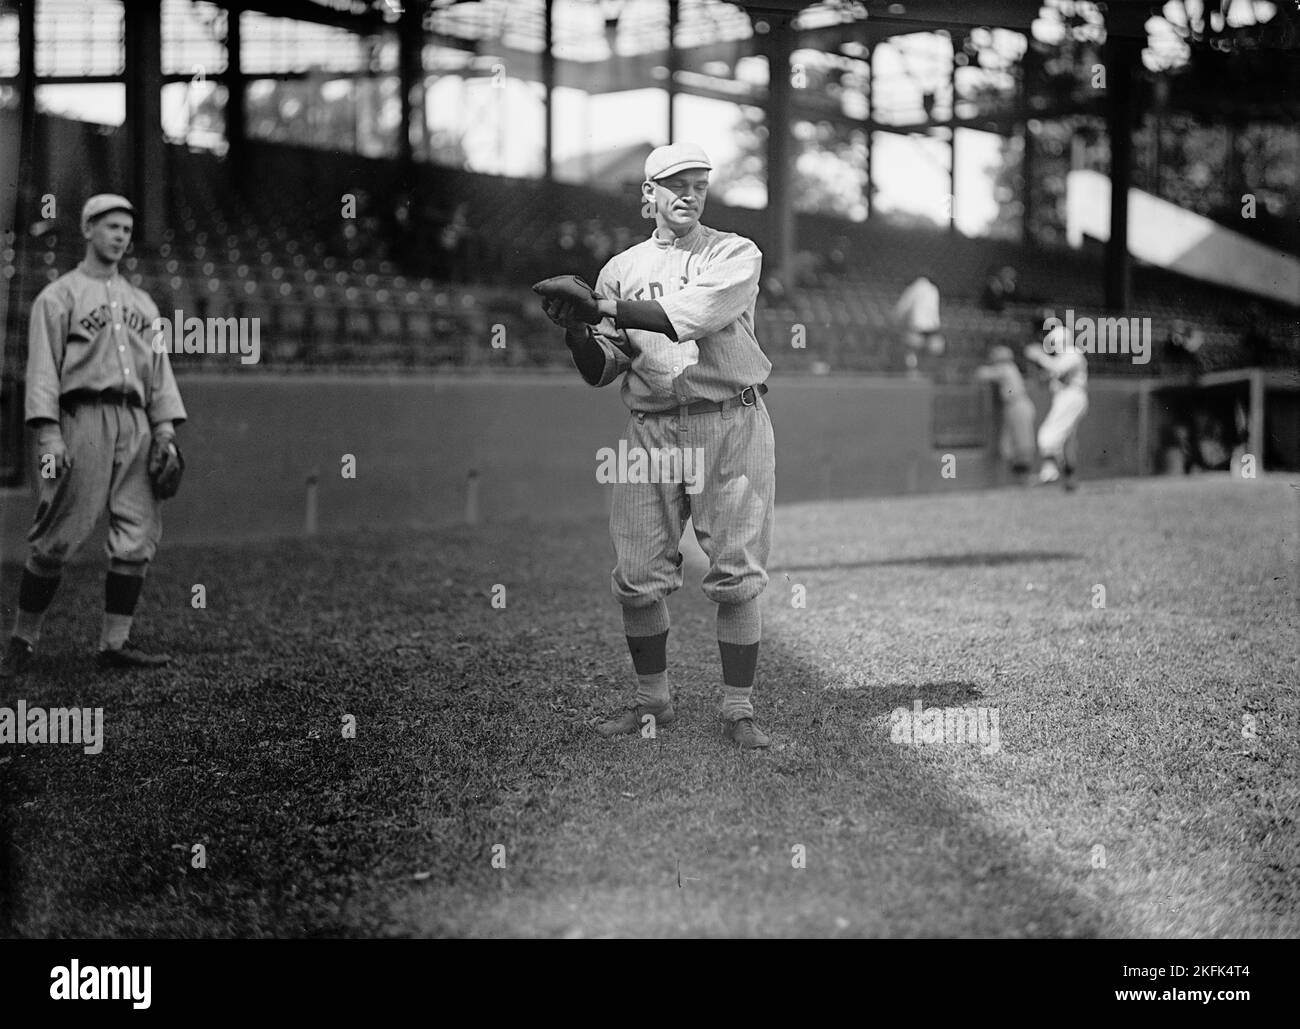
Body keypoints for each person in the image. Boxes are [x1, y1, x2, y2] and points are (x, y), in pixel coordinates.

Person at [537, 142, 775, 750]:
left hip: (730, 419)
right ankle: (652, 702)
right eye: (674, 184)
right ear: (649, 196)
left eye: (699, 182)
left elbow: (687, 315)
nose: (689, 193)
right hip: (652, 427)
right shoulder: (619, 267)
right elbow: (604, 368)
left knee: (736, 573)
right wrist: (576, 332)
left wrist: (604, 307)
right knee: (637, 573)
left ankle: (738, 709)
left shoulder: (733, 251)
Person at [0, 194, 187, 681]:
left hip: (138, 423)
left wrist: (164, 432)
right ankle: (22, 641)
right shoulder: (58, 296)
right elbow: (42, 371)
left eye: (127, 228)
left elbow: (159, 373)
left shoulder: (143, 304)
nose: (121, 235)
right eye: (111, 226)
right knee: (56, 535)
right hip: (81, 418)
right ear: (88, 229)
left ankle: (115, 644)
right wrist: (48, 436)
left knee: (136, 536)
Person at [1025, 323, 1087, 489]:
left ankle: (1049, 472)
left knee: (1048, 433)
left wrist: (1038, 355)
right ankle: (1070, 480)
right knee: (1067, 442)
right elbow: (1048, 377)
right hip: (1067, 396)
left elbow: (1056, 367)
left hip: (1071, 396)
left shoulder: (1073, 353)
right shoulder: (1062, 357)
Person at [974, 344, 1036, 483]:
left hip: (1018, 404)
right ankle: (1014, 478)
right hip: (1012, 405)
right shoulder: (1009, 368)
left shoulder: (1007, 368)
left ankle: (1025, 477)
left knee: (1022, 442)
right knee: (1009, 444)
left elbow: (982, 373)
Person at [893, 273, 944, 373]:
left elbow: (905, 304)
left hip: (918, 324)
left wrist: (897, 314)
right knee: (927, 349)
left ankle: (913, 370)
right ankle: (927, 371)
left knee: (912, 349)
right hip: (933, 325)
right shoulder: (933, 289)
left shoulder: (914, 288)